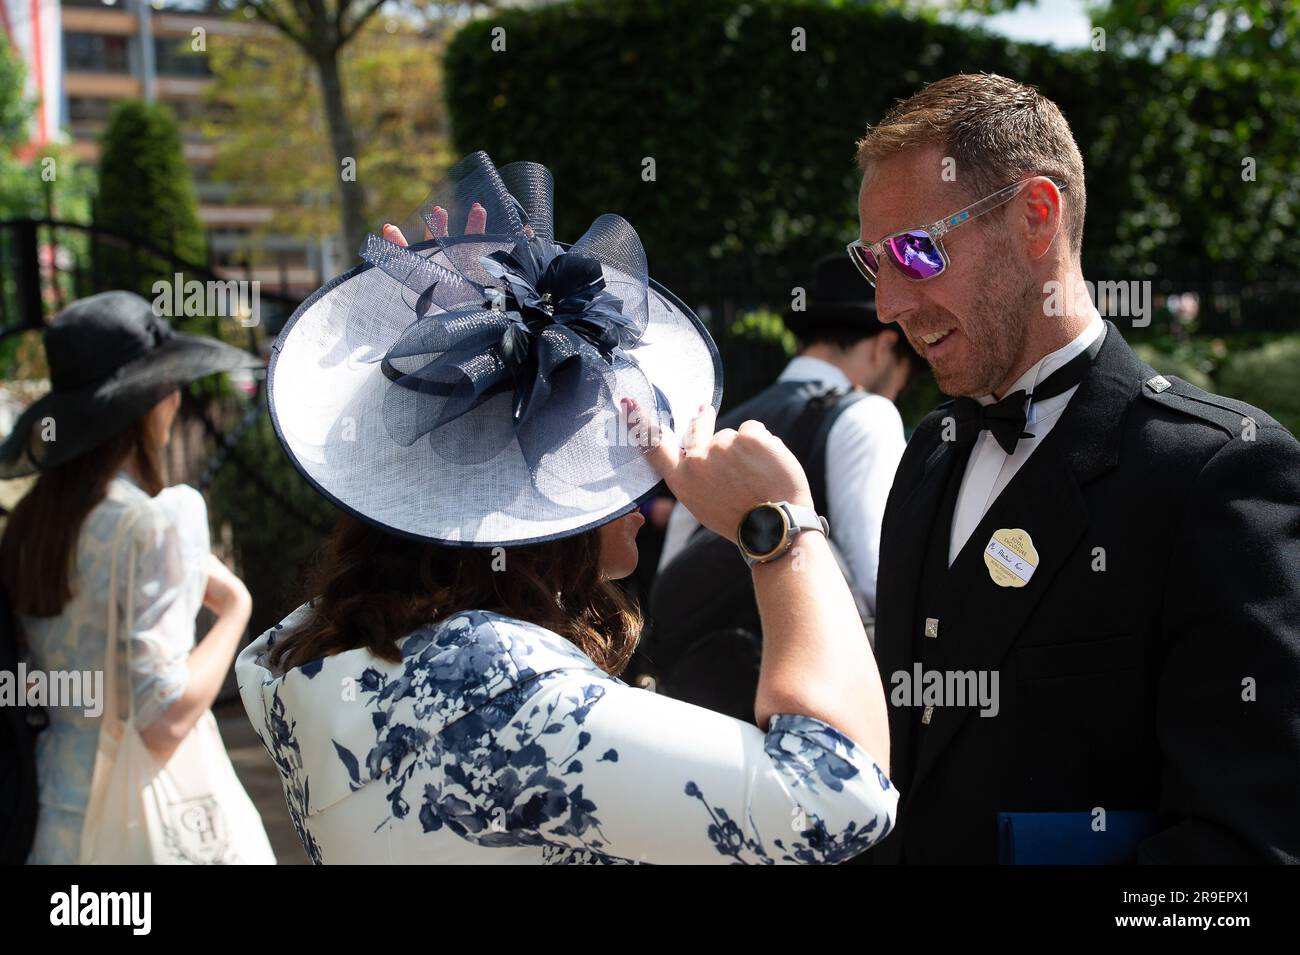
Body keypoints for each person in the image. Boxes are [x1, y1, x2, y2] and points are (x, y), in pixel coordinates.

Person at [235, 152, 898, 864]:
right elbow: (839, 797)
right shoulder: (494, 686)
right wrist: (781, 527)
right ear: (524, 502)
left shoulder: (295, 657)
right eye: (600, 441)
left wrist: (407, 383)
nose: (645, 472)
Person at [848, 73, 1300, 863]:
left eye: (916, 252)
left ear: (1036, 216)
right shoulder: (930, 450)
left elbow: (1247, 856)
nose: (887, 302)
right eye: (872, 262)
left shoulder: (1216, 473)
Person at [0, 290, 266, 864]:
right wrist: (238, 609)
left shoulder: (29, 527)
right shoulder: (158, 519)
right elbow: (164, 717)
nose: (175, 397)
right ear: (144, 401)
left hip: (52, 821)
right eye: (167, 383)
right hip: (141, 829)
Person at [645, 254, 920, 720]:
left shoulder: (724, 428)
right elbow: (879, 589)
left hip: (699, 708)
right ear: (882, 348)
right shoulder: (867, 416)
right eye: (903, 376)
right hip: (810, 710)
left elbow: (671, 577)